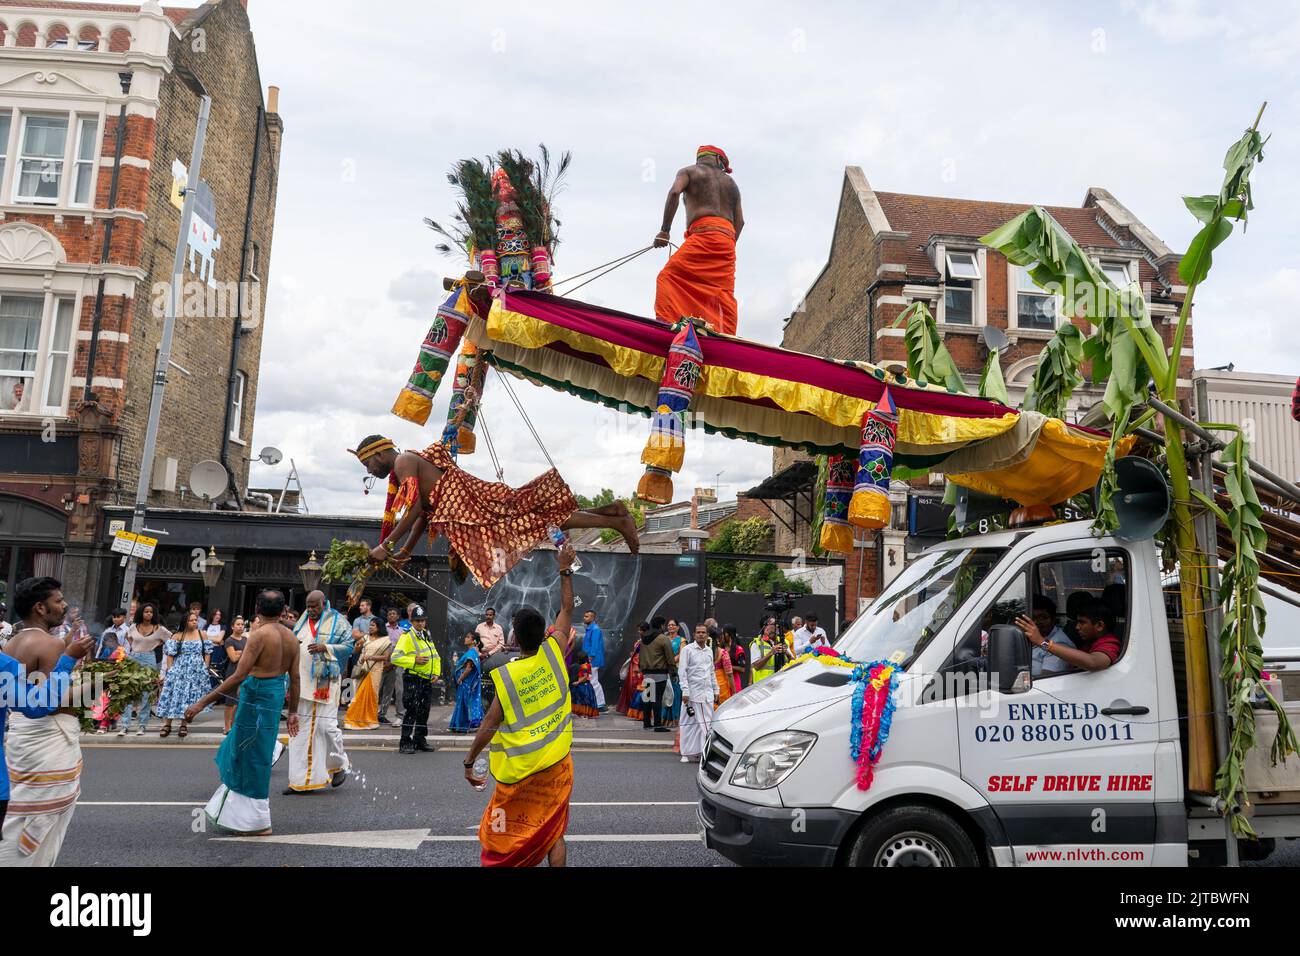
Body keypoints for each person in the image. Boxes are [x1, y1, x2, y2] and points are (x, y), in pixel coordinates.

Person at [352, 435, 639, 590]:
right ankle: (609, 513)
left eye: (367, 464)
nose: (369, 471)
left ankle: (616, 522)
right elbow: (426, 512)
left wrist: (385, 545)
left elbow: (415, 508)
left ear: (378, 454)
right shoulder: (405, 464)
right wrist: (406, 550)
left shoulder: (403, 461)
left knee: (534, 522)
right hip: (473, 507)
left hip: (478, 505)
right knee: (535, 517)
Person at [464, 546, 578, 867]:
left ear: (513, 638)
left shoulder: (509, 676)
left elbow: (488, 725)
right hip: (556, 767)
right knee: (554, 832)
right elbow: (567, 608)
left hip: (518, 775)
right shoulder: (555, 652)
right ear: (545, 633)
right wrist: (564, 569)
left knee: (507, 834)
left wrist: (469, 762)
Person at [187, 589, 300, 836]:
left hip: (257, 695)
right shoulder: (291, 638)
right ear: (283, 612)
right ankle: (242, 816)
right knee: (252, 751)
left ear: (257, 610)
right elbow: (295, 678)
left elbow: (238, 676)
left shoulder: (259, 636)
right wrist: (292, 713)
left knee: (247, 754)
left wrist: (200, 703)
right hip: (274, 696)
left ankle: (257, 822)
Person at [0, 577, 95, 866]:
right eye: (58, 600)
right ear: (40, 608)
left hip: (19, 739)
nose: (64, 605)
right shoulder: (51, 645)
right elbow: (47, 703)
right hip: (47, 742)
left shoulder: (11, 644)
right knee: (37, 825)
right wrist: (96, 686)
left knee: (20, 812)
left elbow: (24, 698)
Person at [652, 145, 743, 336]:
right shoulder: (731, 184)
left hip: (702, 235)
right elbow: (740, 222)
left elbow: (674, 193)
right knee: (722, 293)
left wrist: (664, 232)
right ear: (719, 161)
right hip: (727, 242)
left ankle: (668, 329)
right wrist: (726, 245)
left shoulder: (689, 172)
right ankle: (723, 336)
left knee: (668, 278)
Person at [285, 590, 354, 792]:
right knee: (300, 732)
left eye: (315, 606)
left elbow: (349, 647)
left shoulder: (338, 621)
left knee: (326, 728)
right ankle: (300, 782)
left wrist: (326, 647)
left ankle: (340, 764)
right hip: (302, 683)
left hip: (326, 683)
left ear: (324, 603)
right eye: (308, 606)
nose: (311, 610)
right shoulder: (302, 621)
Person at [1015, 600, 1121, 673]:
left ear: (1099, 626)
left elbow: (1093, 662)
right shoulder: (1091, 644)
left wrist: (1042, 642)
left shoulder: (1110, 643)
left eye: (1082, 622)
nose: (1077, 627)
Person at [154, 611, 213, 738]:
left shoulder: (202, 634)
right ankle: (167, 724)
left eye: (196, 620)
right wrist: (171, 671)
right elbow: (170, 655)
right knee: (173, 696)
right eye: (192, 620)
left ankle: (183, 724)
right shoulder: (177, 636)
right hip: (179, 670)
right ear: (185, 622)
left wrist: (205, 667)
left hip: (196, 671)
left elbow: (207, 652)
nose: (195, 622)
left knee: (188, 698)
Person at [391, 604, 441, 754]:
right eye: (417, 621)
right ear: (411, 621)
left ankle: (420, 740)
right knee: (412, 710)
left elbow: (435, 655)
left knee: (424, 711)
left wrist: (436, 673)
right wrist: (414, 661)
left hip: (426, 680)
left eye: (422, 621)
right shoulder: (407, 636)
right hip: (413, 678)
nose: (420, 623)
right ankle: (405, 742)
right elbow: (395, 657)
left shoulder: (426, 634)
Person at [118, 602, 168, 736]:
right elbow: (128, 639)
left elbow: (171, 639)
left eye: (151, 612)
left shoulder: (159, 628)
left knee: (146, 693)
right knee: (128, 692)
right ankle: (125, 725)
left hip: (149, 658)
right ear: (141, 613)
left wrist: (158, 644)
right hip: (133, 658)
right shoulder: (133, 627)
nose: (149, 614)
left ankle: (142, 725)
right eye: (146, 611)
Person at [678, 623, 719, 762]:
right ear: (694, 635)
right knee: (687, 723)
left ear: (707, 635)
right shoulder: (687, 650)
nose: (701, 634)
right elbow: (682, 672)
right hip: (691, 694)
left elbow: (711, 672)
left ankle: (701, 752)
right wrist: (685, 691)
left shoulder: (709, 651)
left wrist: (716, 689)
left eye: (703, 632)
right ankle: (685, 753)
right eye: (698, 632)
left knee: (704, 724)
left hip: (706, 694)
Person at [343, 617, 390, 731]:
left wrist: (371, 657)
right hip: (362, 668)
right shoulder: (366, 637)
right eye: (370, 625)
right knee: (358, 694)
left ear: (379, 627)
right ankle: (352, 720)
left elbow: (386, 657)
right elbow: (355, 651)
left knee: (372, 695)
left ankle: (370, 721)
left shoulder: (386, 640)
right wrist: (357, 648)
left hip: (375, 670)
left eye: (373, 625)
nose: (370, 627)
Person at [639, 617, 677, 733]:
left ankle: (646, 723)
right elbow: (670, 657)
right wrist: (673, 672)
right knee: (657, 699)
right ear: (661, 625)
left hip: (647, 674)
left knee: (648, 699)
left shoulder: (644, 639)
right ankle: (657, 725)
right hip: (660, 674)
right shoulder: (663, 639)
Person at [1026, 596, 1074, 677]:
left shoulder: (1059, 645)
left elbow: (1045, 680)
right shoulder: (1027, 635)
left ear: (1053, 620)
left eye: (1043, 617)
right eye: (1032, 618)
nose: (1037, 622)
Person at [219, 615, 249, 734]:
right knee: (230, 700)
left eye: (242, 624)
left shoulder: (245, 640)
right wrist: (243, 653)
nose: (240, 626)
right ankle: (227, 726)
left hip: (244, 671)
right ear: (232, 627)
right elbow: (233, 657)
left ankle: (233, 723)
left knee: (240, 699)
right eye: (238, 624)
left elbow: (248, 655)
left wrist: (240, 653)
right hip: (233, 672)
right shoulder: (229, 640)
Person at [449, 631, 483, 733]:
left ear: (473, 641)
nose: (465, 638)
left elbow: (468, 669)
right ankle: (459, 724)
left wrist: (460, 679)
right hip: (465, 684)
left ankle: (465, 724)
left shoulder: (472, 653)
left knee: (464, 703)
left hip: (466, 684)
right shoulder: (471, 652)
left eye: (468, 637)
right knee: (462, 703)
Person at [377, 606, 405, 724]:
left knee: (398, 690)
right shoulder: (383, 629)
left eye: (394, 614)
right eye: (389, 614)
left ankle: (400, 715)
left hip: (397, 664)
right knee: (377, 689)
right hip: (382, 662)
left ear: (398, 616)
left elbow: (403, 649)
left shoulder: (403, 631)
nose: (391, 615)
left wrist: (393, 663)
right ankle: (379, 714)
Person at [617, 623, 647, 722]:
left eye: (640, 630)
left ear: (645, 631)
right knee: (630, 687)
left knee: (637, 688)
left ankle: (639, 711)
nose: (639, 632)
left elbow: (643, 655)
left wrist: (639, 666)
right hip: (633, 665)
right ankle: (632, 709)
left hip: (639, 667)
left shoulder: (646, 641)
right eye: (638, 630)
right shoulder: (639, 641)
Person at [750, 618, 792, 683]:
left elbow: (794, 662)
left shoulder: (784, 641)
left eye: (778, 624)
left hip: (782, 683)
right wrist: (771, 653)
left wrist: (787, 653)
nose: (777, 626)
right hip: (763, 685)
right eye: (774, 624)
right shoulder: (756, 643)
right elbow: (756, 666)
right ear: (765, 627)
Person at [580, 609, 607, 712]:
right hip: (590, 658)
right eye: (584, 616)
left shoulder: (595, 629)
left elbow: (594, 645)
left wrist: (590, 657)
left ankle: (600, 704)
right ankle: (599, 704)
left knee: (593, 681)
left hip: (593, 659)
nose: (584, 618)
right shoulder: (590, 629)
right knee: (593, 680)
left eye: (587, 616)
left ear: (593, 618)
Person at [570, 653, 599, 718]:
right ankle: (585, 714)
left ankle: (584, 714)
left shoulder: (584, 666)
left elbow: (585, 676)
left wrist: (578, 682)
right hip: (587, 685)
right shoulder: (588, 665)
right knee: (586, 700)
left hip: (583, 685)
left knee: (583, 700)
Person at [713, 630, 735, 705]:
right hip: (721, 688)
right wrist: (734, 692)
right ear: (719, 639)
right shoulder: (723, 653)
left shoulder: (701, 652)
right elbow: (729, 674)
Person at [726, 623, 748, 690]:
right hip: (723, 684)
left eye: (724, 633)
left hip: (734, 684)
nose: (722, 636)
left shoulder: (738, 649)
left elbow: (742, 669)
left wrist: (728, 666)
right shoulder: (721, 649)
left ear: (729, 635)